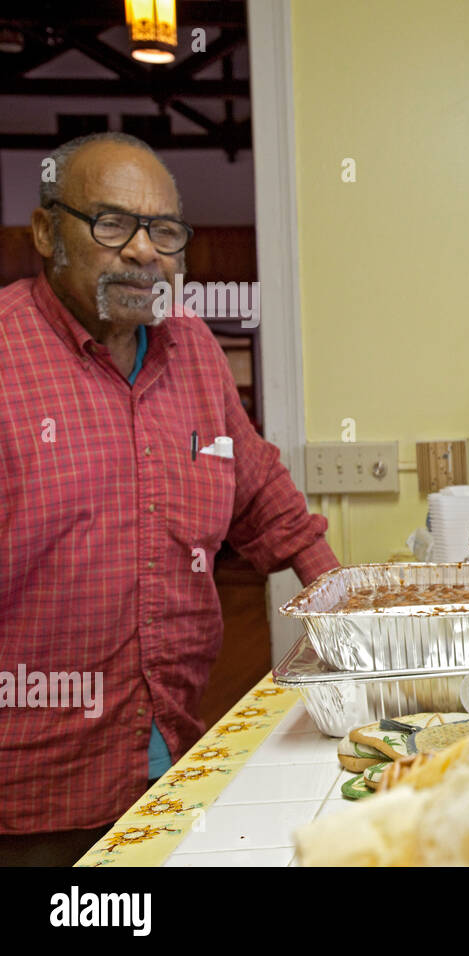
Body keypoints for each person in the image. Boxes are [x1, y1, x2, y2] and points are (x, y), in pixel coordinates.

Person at [0, 132, 340, 863]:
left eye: (163, 231)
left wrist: (351, 616)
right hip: (30, 796)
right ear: (45, 232)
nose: (143, 251)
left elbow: (263, 496)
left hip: (174, 759)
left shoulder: (192, 349)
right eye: (112, 224)